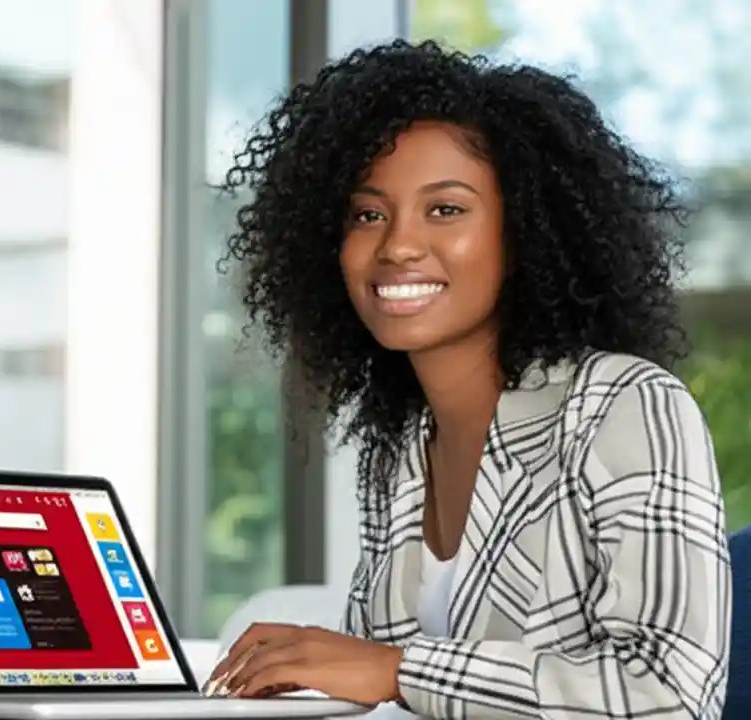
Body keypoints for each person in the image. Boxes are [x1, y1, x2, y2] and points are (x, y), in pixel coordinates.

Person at [203, 39, 731, 718]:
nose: (397, 244)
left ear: (526, 232)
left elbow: (672, 696)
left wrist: (395, 669)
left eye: (445, 209)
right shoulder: (401, 449)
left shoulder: (626, 405)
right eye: (368, 214)